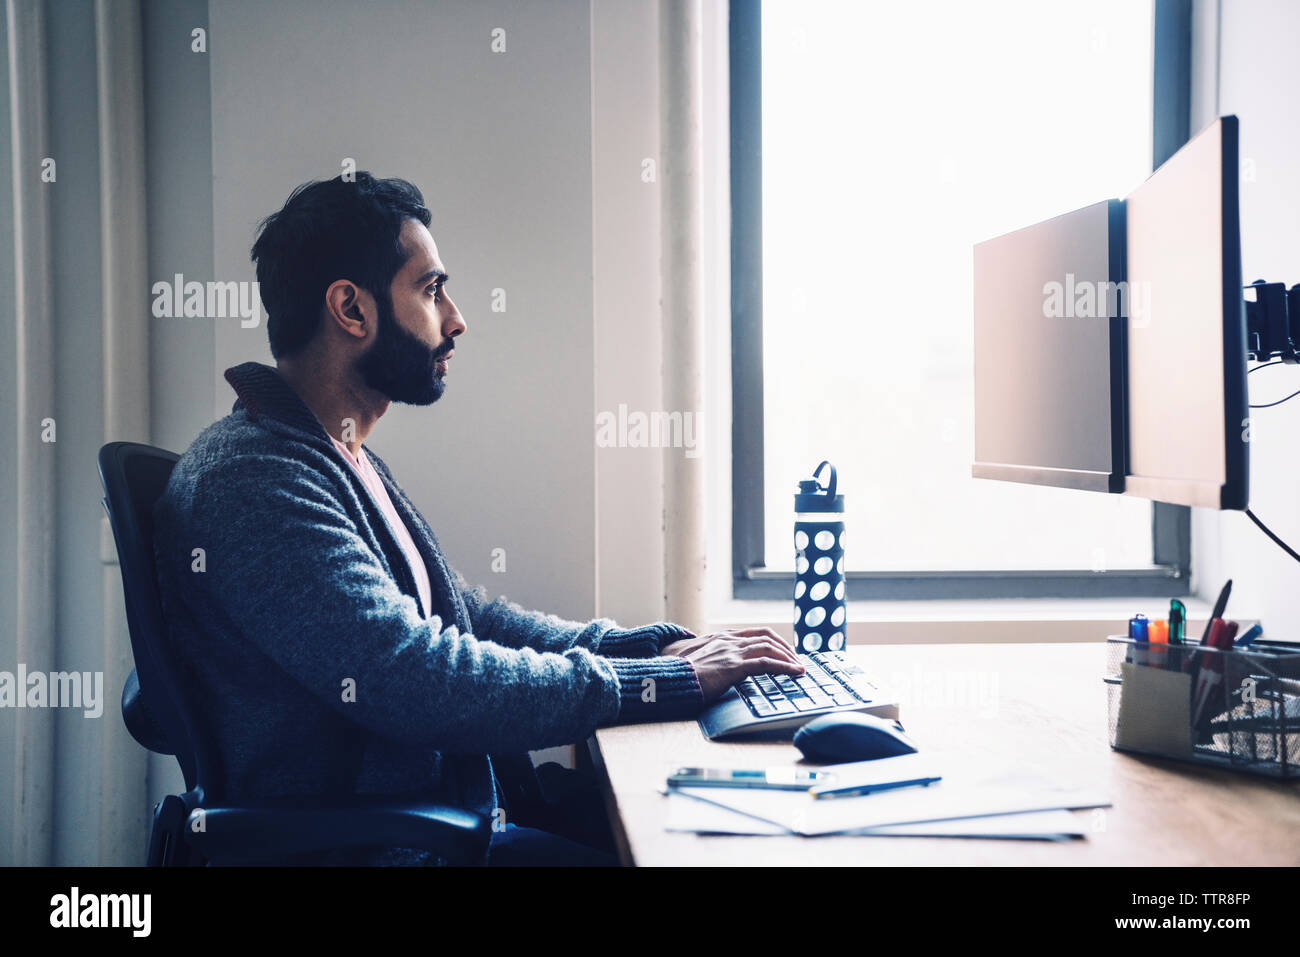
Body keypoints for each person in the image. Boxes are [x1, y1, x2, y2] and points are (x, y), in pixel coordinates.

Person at [151, 172, 804, 865]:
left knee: (715, 829)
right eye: (431, 290)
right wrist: (656, 685)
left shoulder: (331, 454)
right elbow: (419, 677)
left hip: (445, 824)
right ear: (351, 308)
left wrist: (648, 652)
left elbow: (468, 618)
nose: (456, 318)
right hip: (395, 851)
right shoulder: (254, 480)